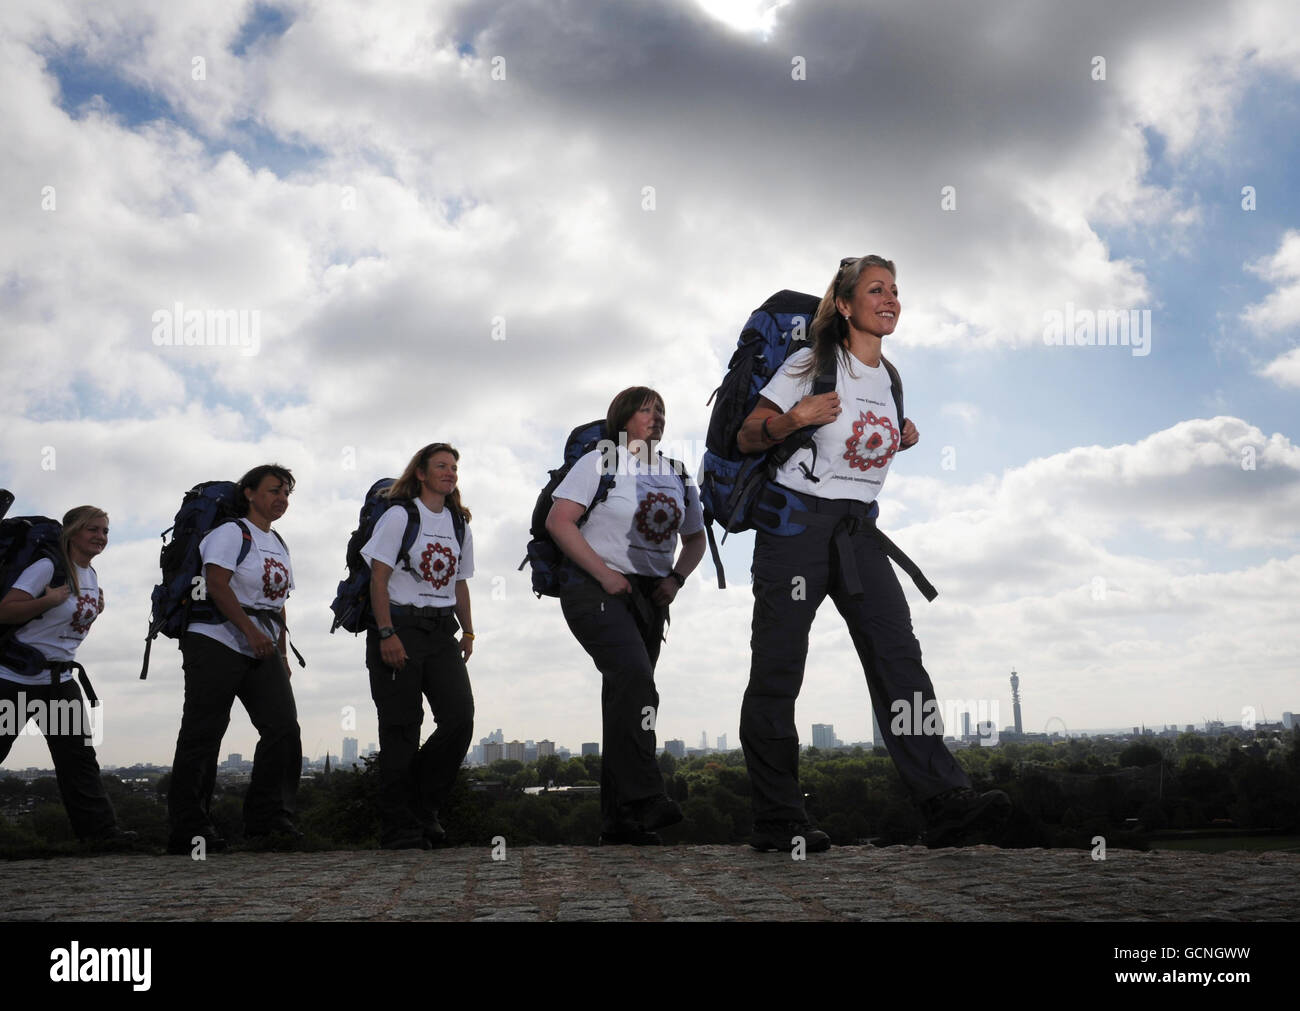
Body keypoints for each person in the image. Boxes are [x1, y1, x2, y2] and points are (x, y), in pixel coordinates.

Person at [736, 255, 1010, 852]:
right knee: (779, 669)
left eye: (895, 290)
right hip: (794, 530)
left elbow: (853, 449)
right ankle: (778, 818)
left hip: (859, 533)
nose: (889, 299)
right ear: (843, 303)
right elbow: (747, 434)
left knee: (899, 660)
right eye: (875, 290)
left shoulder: (890, 377)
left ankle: (943, 804)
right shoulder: (810, 363)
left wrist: (901, 439)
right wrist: (791, 420)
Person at [546, 387, 707, 844]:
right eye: (644, 409)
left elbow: (694, 539)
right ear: (622, 418)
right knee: (636, 680)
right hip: (595, 589)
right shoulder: (600, 462)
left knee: (626, 698)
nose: (654, 417)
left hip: (648, 598)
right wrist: (603, 573)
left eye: (661, 410)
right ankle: (646, 797)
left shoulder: (676, 473)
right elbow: (559, 522)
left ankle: (620, 821)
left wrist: (675, 579)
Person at [166, 464, 303, 854]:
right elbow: (216, 585)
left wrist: (280, 651)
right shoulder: (230, 533)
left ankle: (268, 821)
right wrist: (248, 630)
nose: (281, 499)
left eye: (286, 494)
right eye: (274, 490)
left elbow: (278, 603)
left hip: (262, 644)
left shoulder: (278, 541)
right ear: (249, 493)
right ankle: (190, 830)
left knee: (283, 729)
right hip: (214, 640)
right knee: (203, 734)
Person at [362, 444, 475, 850]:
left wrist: (469, 631)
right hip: (400, 628)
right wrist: (386, 633)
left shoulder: (459, 523)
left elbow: (460, 581)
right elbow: (378, 579)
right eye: (441, 466)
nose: (450, 472)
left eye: (454, 467)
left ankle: (422, 806)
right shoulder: (400, 515)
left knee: (460, 719)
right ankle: (399, 828)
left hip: (442, 633)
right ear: (422, 474)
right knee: (401, 730)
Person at [0, 506, 133, 845]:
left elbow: (67, 626)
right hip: (15, 680)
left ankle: (101, 836)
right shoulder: (48, 567)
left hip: (59, 683)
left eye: (104, 531)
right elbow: (6, 610)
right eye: (92, 529)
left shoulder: (91, 575)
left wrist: (93, 609)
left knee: (79, 761)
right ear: (72, 532)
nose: (100, 537)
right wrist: (47, 601)